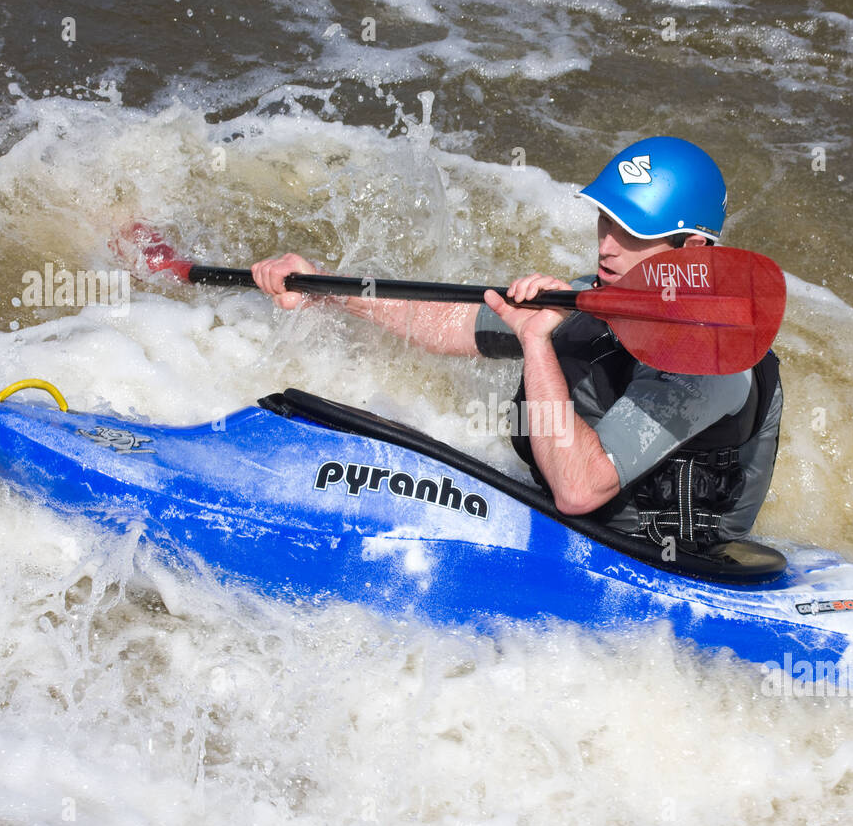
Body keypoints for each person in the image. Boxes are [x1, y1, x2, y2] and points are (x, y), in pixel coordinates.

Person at [252, 136, 781, 555]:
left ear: (691, 249)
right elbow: (448, 324)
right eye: (606, 220)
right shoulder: (600, 297)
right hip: (578, 529)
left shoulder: (713, 359)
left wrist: (535, 341)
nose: (607, 246)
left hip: (660, 562)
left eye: (632, 234)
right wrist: (322, 285)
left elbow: (578, 490)